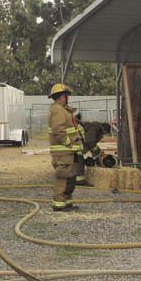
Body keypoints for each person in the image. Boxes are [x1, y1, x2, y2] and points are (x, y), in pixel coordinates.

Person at [47, 83, 85, 211]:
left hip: (69, 152)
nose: (67, 98)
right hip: (63, 152)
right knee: (63, 179)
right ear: (62, 96)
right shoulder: (57, 110)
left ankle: (67, 203)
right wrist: (69, 143)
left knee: (70, 179)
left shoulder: (64, 110)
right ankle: (58, 205)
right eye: (66, 95)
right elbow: (58, 130)